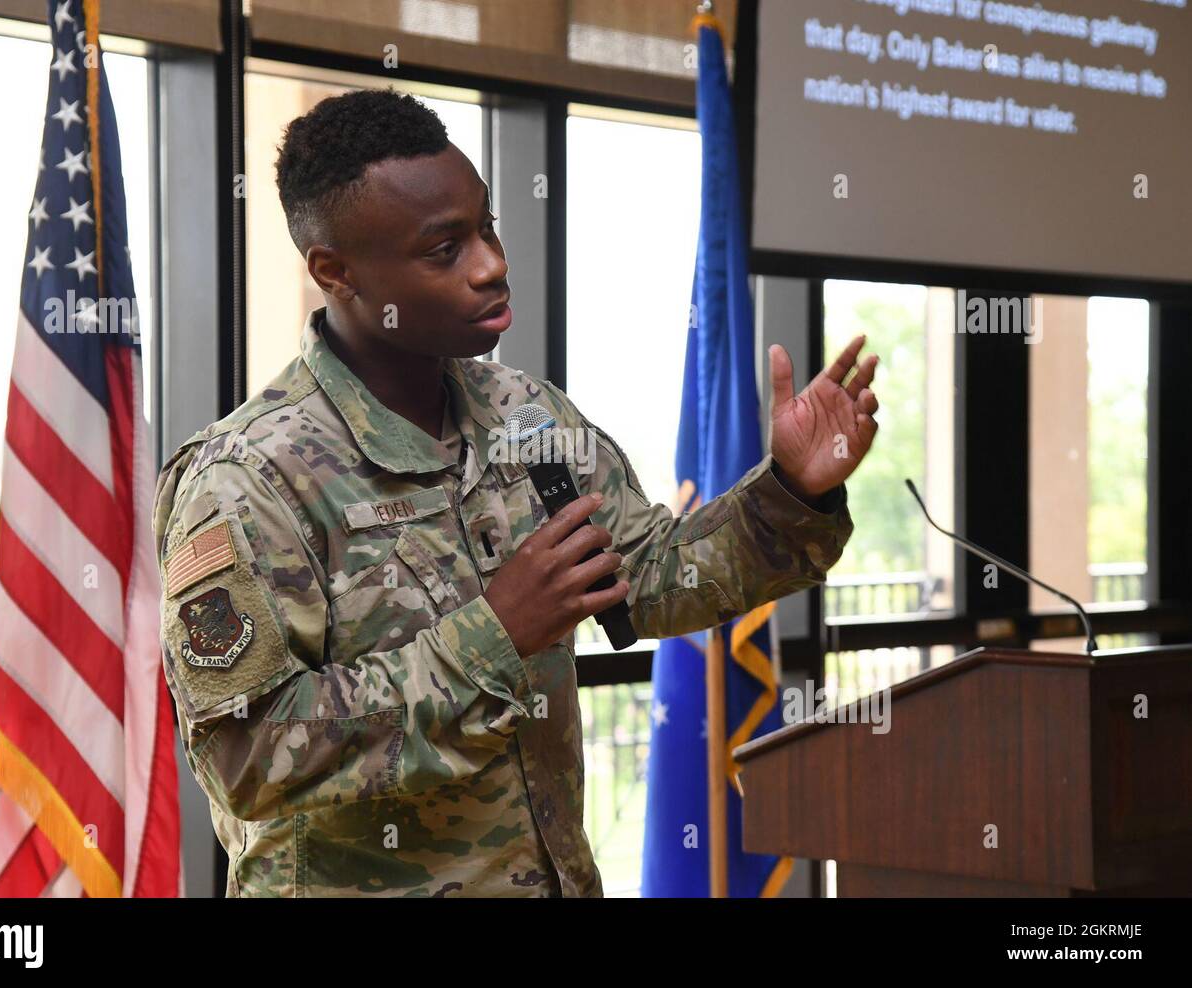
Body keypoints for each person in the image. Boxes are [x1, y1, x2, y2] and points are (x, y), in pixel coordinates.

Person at [153, 88, 880, 897]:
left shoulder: (528, 420)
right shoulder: (246, 479)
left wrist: (789, 491)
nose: (491, 264)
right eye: (444, 248)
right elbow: (246, 759)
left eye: (487, 226)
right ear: (336, 271)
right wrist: (495, 633)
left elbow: (656, 583)